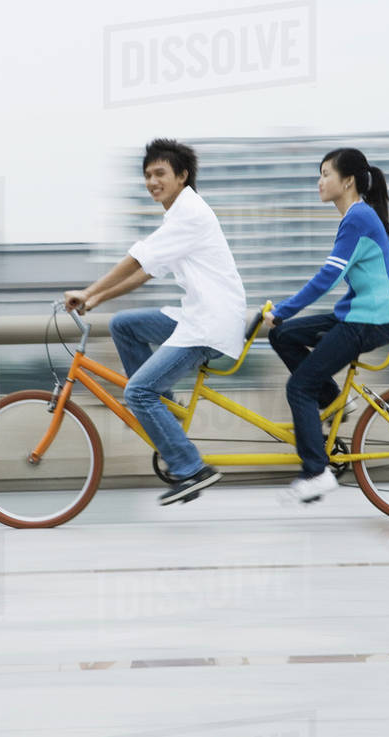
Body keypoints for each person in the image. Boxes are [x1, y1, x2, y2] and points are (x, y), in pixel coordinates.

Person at [64, 139, 247, 505]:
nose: (151, 181)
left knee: (137, 392)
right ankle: (164, 412)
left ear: (182, 176)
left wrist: (88, 290)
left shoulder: (190, 213)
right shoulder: (178, 215)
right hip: (197, 315)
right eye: (147, 175)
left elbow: (137, 258)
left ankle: (192, 468)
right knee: (124, 325)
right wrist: (99, 299)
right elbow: (148, 269)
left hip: (209, 324)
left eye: (160, 173)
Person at [264, 148, 389, 504]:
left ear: (348, 181)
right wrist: (283, 319)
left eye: (326, 173)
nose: (320, 181)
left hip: (368, 321)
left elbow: (328, 276)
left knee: (298, 388)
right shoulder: (357, 216)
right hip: (356, 315)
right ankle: (332, 400)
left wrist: (283, 308)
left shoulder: (357, 217)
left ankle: (316, 472)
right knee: (283, 335)